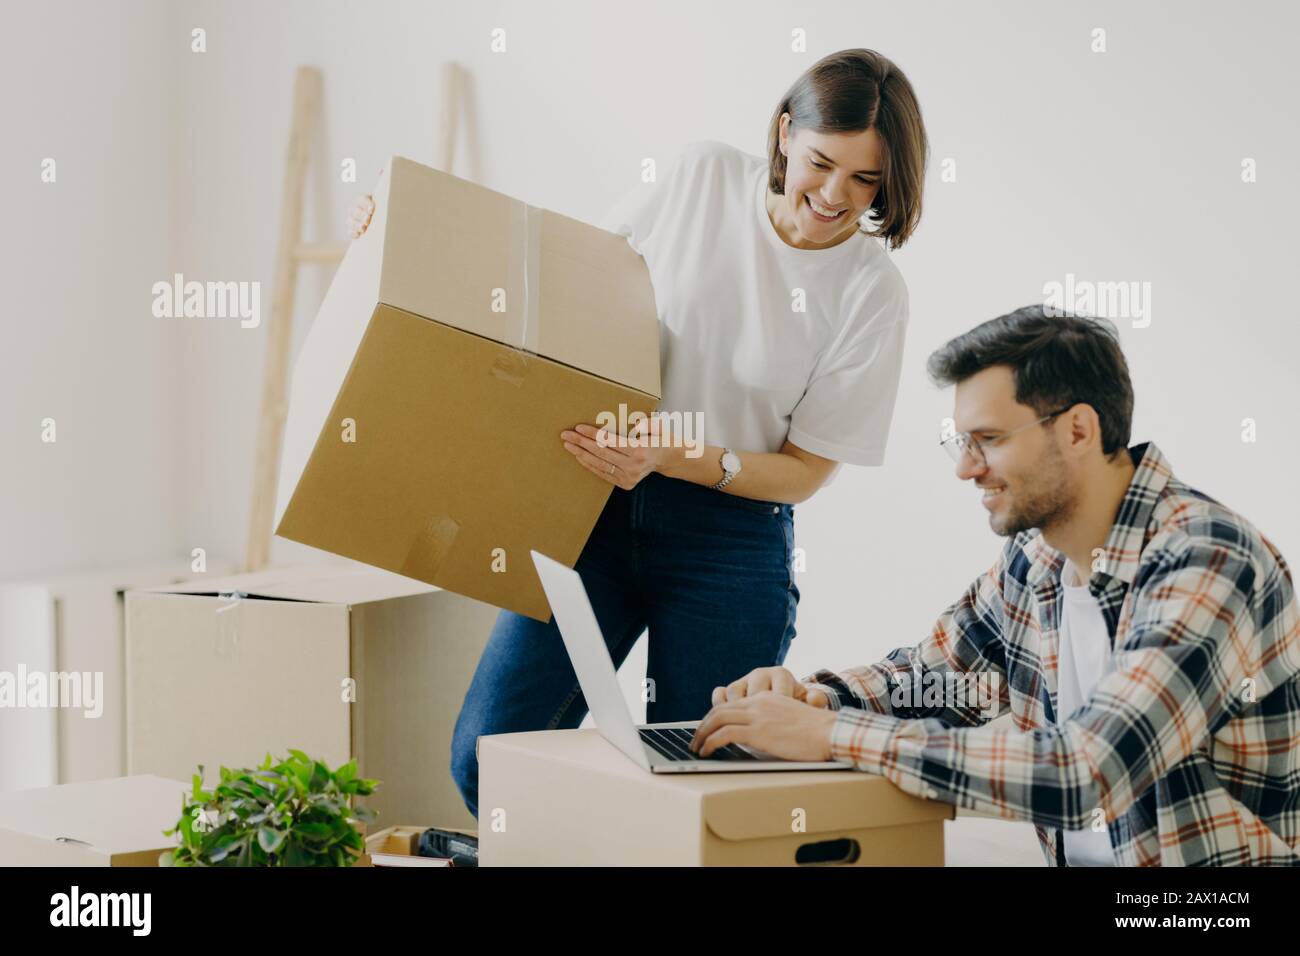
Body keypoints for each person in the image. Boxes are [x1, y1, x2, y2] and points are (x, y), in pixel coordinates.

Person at [349, 49, 928, 819]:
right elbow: (559, 273)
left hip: (729, 543)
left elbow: (803, 472)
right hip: (593, 509)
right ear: (786, 133)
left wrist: (678, 455)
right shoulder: (700, 178)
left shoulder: (870, 291)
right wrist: (399, 231)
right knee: (488, 759)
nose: (832, 196)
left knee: (696, 790)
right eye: (822, 163)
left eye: (865, 181)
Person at [691, 304, 1300, 866]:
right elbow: (940, 679)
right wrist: (814, 699)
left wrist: (830, 736)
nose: (964, 468)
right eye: (961, 442)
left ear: (1079, 431)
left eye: (988, 440)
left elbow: (1087, 770)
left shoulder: (1205, 560)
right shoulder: (1038, 557)